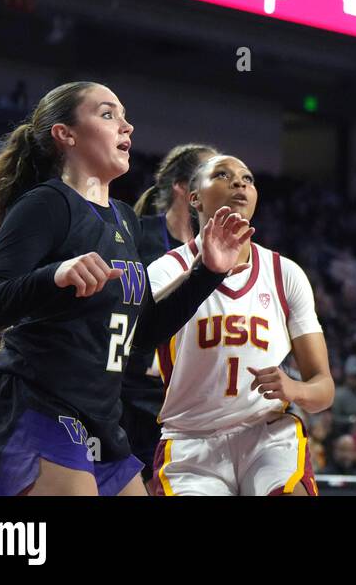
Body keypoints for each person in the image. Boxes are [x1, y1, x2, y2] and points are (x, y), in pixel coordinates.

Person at [0, 81, 253, 496]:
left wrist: (207, 274)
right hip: (38, 409)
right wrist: (54, 276)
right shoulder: (47, 204)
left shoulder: (123, 218)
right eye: (107, 115)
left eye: (124, 116)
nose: (127, 127)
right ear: (65, 135)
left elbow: (142, 335)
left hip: (102, 422)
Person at [145, 154, 333, 496]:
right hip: (191, 440)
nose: (240, 183)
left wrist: (294, 389)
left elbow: (323, 389)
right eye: (222, 174)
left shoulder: (284, 273)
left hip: (267, 435)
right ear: (194, 197)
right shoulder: (165, 270)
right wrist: (203, 273)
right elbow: (140, 336)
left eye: (248, 178)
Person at [121, 143, 218, 477]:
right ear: (182, 187)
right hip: (130, 392)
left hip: (189, 398)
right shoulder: (135, 232)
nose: (222, 184)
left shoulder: (227, 251)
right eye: (212, 175)